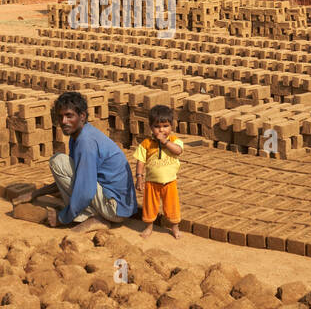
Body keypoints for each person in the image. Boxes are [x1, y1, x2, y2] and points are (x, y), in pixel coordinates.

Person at [11, 91, 137, 232]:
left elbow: (85, 190)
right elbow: (77, 175)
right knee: (63, 165)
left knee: (58, 161)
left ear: (82, 116)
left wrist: (62, 218)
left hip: (114, 208)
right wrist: (35, 193)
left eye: (69, 116)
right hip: (120, 205)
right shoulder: (78, 135)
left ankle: (93, 217)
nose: (64, 121)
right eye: (60, 116)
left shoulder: (85, 142)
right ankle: (86, 212)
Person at [135, 105, 183, 238]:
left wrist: (166, 142)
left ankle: (174, 227)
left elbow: (178, 150)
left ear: (171, 127)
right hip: (151, 182)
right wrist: (139, 177)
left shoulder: (174, 141)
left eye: (165, 126)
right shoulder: (146, 143)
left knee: (172, 206)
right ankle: (149, 227)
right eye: (157, 126)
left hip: (170, 182)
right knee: (150, 206)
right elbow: (140, 161)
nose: (161, 129)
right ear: (151, 127)